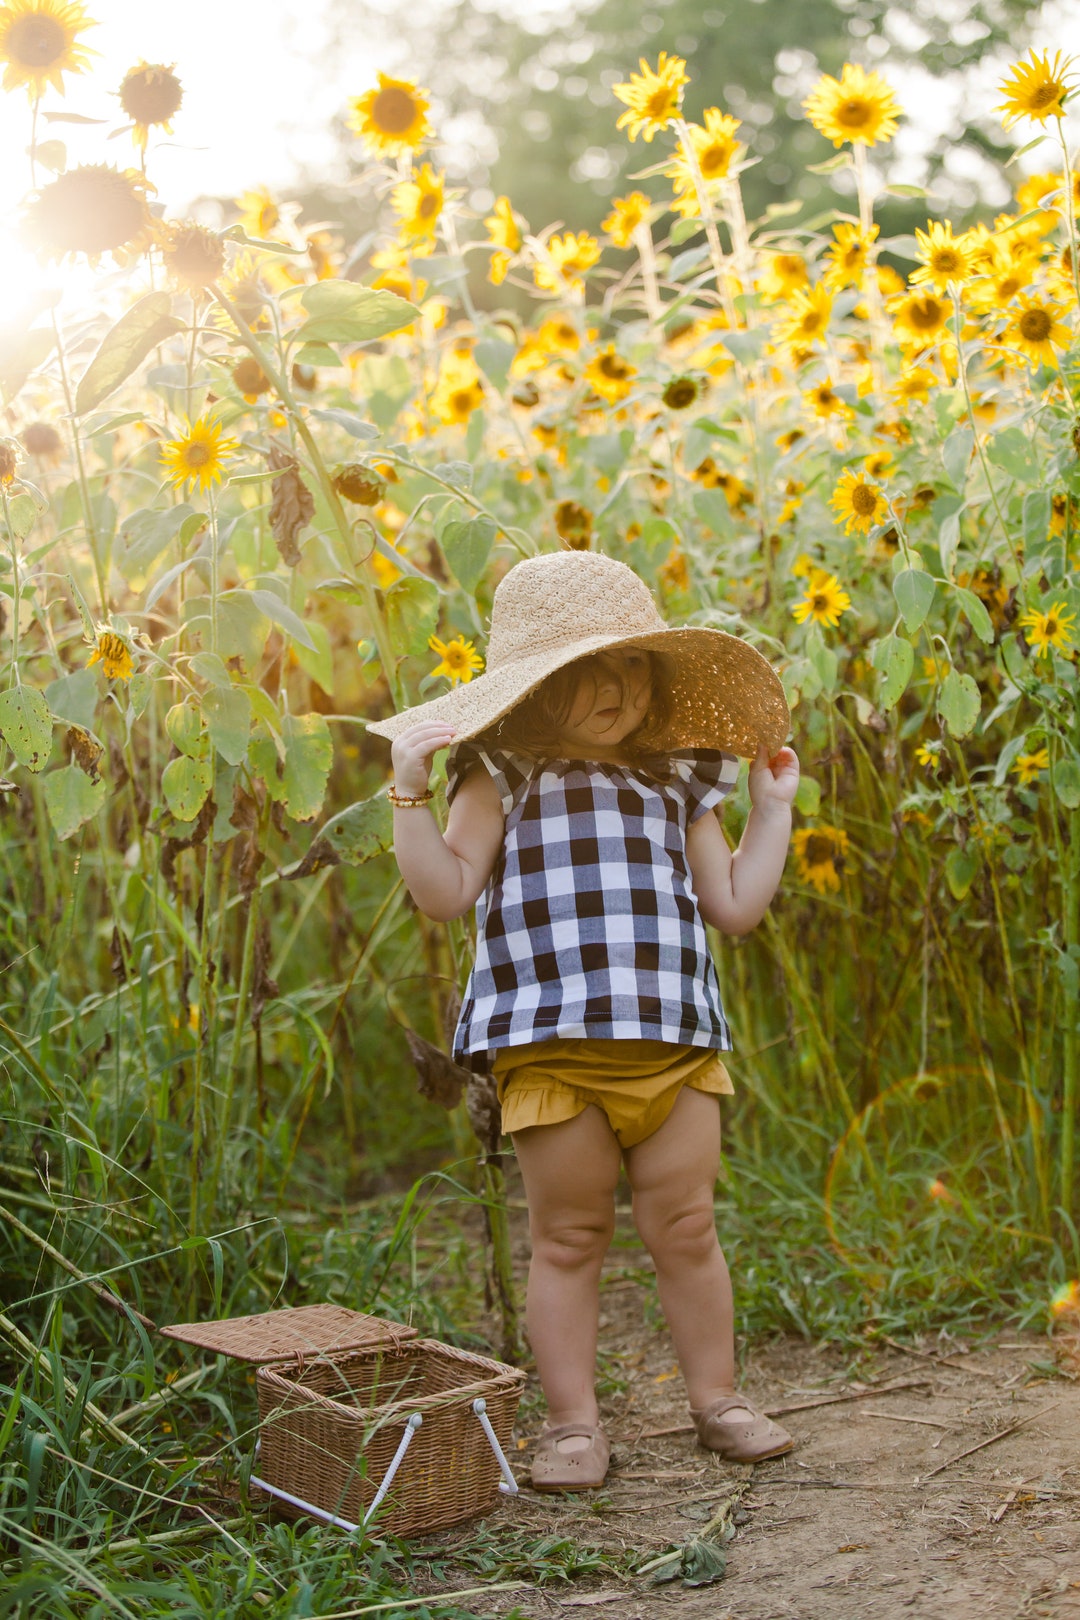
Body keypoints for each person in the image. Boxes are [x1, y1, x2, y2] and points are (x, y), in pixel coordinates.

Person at [367, 549, 800, 1490]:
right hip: (551, 1051)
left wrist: (771, 812)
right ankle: (572, 1426)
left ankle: (717, 1398)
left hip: (675, 1047)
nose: (618, 686)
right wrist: (409, 793)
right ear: (532, 688)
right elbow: (444, 892)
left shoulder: (678, 779)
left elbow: (733, 905)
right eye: (586, 669)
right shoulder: (502, 776)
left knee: (688, 1227)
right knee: (567, 1238)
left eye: (634, 662)